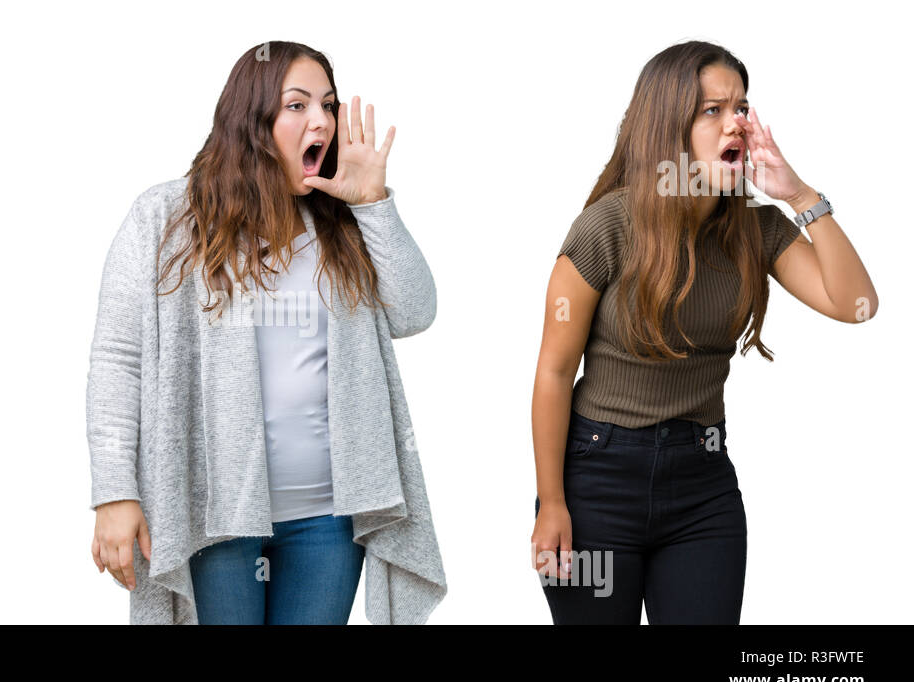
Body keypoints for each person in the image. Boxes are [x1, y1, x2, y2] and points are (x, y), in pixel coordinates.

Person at [87, 41, 446, 624]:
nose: (323, 122)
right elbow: (117, 360)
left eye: (327, 106)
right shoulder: (166, 218)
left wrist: (374, 203)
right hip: (216, 512)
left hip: (328, 518)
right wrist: (114, 491)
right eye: (298, 105)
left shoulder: (343, 223)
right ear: (253, 121)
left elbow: (414, 312)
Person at [530, 41, 878, 624]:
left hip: (701, 484)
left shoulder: (756, 229)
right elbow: (554, 372)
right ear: (668, 125)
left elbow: (856, 306)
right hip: (597, 479)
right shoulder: (607, 227)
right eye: (711, 110)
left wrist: (798, 195)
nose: (735, 122)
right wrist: (552, 503)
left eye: (741, 107)